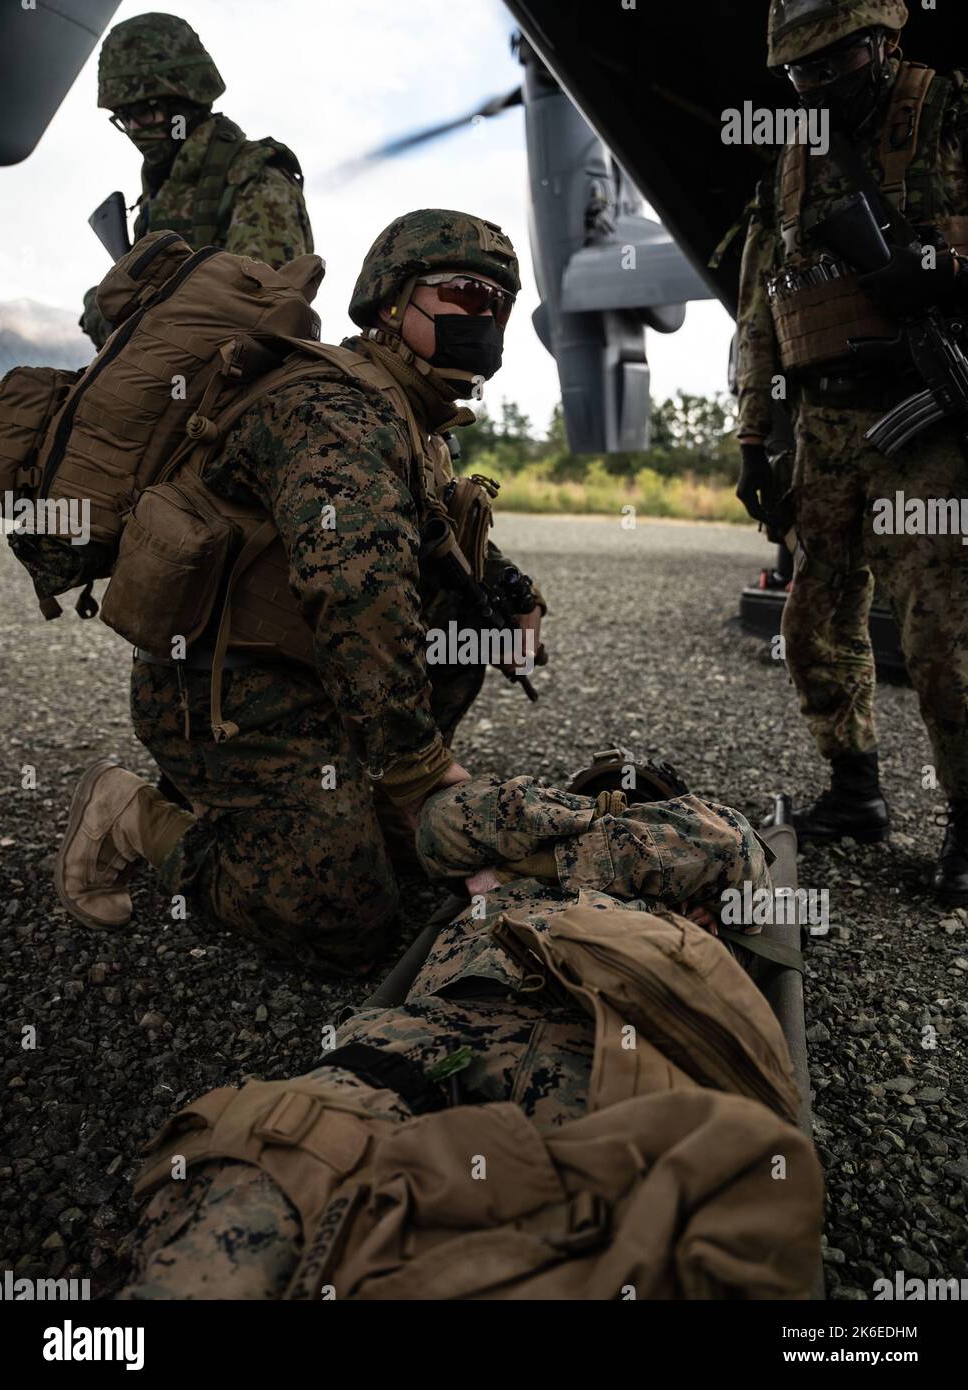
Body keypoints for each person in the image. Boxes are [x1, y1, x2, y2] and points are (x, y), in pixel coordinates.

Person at [55, 209, 546, 977]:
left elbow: (427, 538)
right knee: (345, 929)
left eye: (499, 304)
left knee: (466, 620)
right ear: (391, 304)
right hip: (227, 696)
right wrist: (418, 770)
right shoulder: (333, 409)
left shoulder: (412, 419)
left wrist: (508, 587)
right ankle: (134, 815)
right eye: (462, 295)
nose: (485, 319)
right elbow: (358, 590)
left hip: (307, 679)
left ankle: (354, 806)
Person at [116, 767, 821, 1300]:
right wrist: (597, 836)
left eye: (631, 805)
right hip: (425, 1042)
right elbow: (440, 825)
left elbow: (728, 848)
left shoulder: (696, 827)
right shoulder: (538, 816)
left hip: (611, 1049)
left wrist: (531, 862)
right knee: (253, 1188)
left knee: (600, 1247)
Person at [735, 0, 968, 902]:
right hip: (825, 425)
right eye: (800, 74)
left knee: (940, 636)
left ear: (884, 44)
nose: (818, 85)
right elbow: (763, 307)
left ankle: (963, 820)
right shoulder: (790, 160)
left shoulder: (947, 112)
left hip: (930, 418)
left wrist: (944, 268)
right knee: (812, 623)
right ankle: (855, 790)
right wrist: (754, 435)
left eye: (835, 65)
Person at [81, 11, 314, 348]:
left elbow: (261, 322)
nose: (133, 130)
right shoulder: (164, 189)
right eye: (124, 118)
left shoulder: (257, 181)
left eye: (145, 113)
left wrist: (114, 311)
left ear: (184, 103)